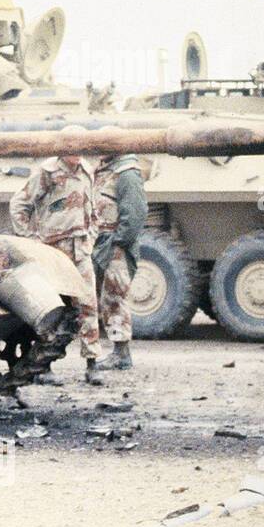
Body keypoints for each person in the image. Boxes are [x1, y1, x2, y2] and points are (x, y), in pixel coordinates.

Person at [9, 131, 104, 385]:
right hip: (53, 251)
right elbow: (19, 205)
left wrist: (91, 237)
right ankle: (42, 366)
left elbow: (95, 210)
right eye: (72, 146)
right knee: (50, 309)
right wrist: (31, 241)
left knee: (88, 305)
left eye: (81, 146)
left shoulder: (87, 170)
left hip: (81, 249)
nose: (77, 151)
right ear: (62, 148)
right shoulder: (46, 172)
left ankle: (92, 363)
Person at [92, 154, 148, 370]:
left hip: (115, 246)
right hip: (101, 242)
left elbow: (135, 213)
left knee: (115, 296)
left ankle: (121, 354)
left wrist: (119, 241)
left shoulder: (126, 172)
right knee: (105, 298)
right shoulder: (105, 169)